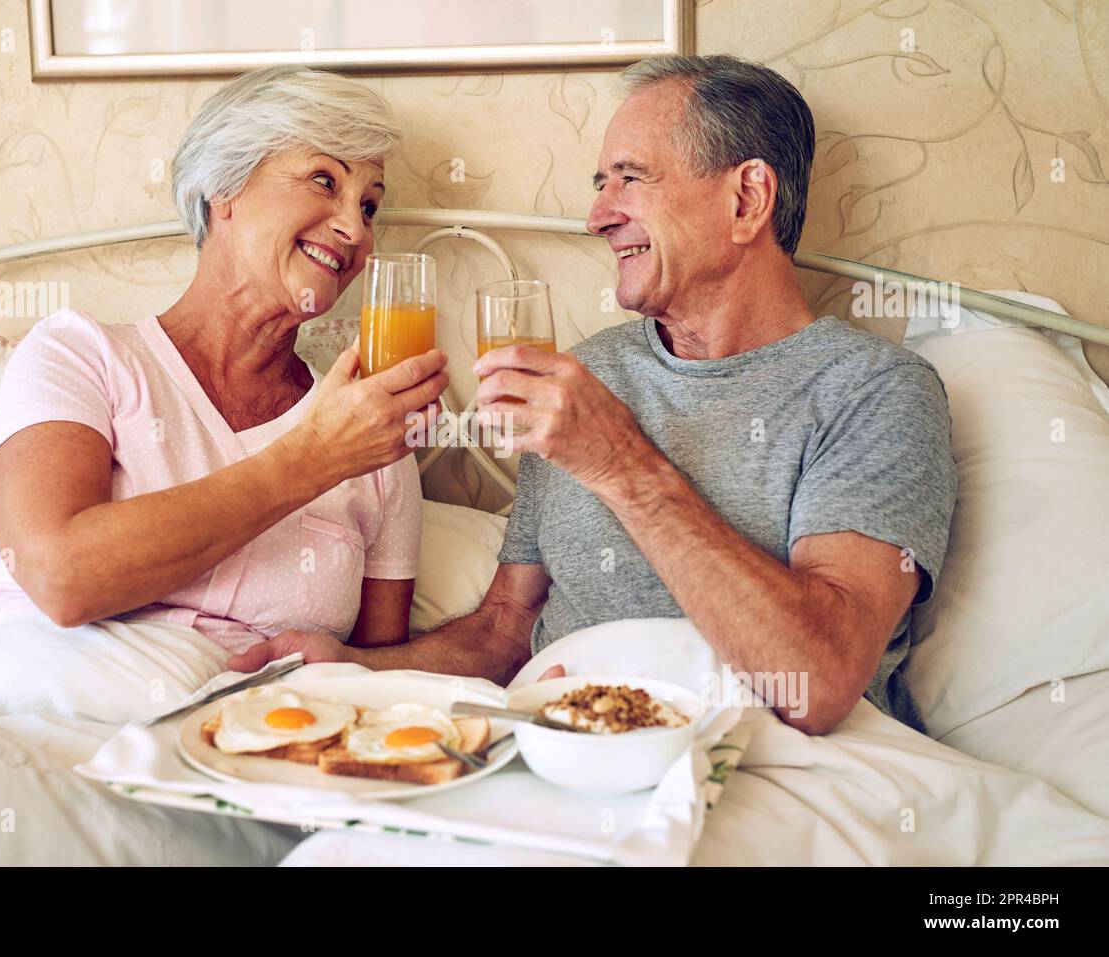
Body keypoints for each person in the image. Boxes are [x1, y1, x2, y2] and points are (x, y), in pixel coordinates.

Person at [233, 54, 957, 736]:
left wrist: (619, 462)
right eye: (598, 184)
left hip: (772, 766)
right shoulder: (585, 376)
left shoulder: (874, 392)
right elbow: (506, 628)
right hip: (565, 742)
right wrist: (355, 671)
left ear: (747, 198)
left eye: (630, 179)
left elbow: (820, 680)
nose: (596, 216)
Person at [0, 65, 449, 657]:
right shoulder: (79, 356)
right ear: (224, 188)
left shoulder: (374, 436)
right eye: (322, 180)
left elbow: (382, 681)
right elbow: (62, 579)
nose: (353, 228)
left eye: (369, 208)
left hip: (228, 739)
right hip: (25, 702)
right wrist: (317, 456)